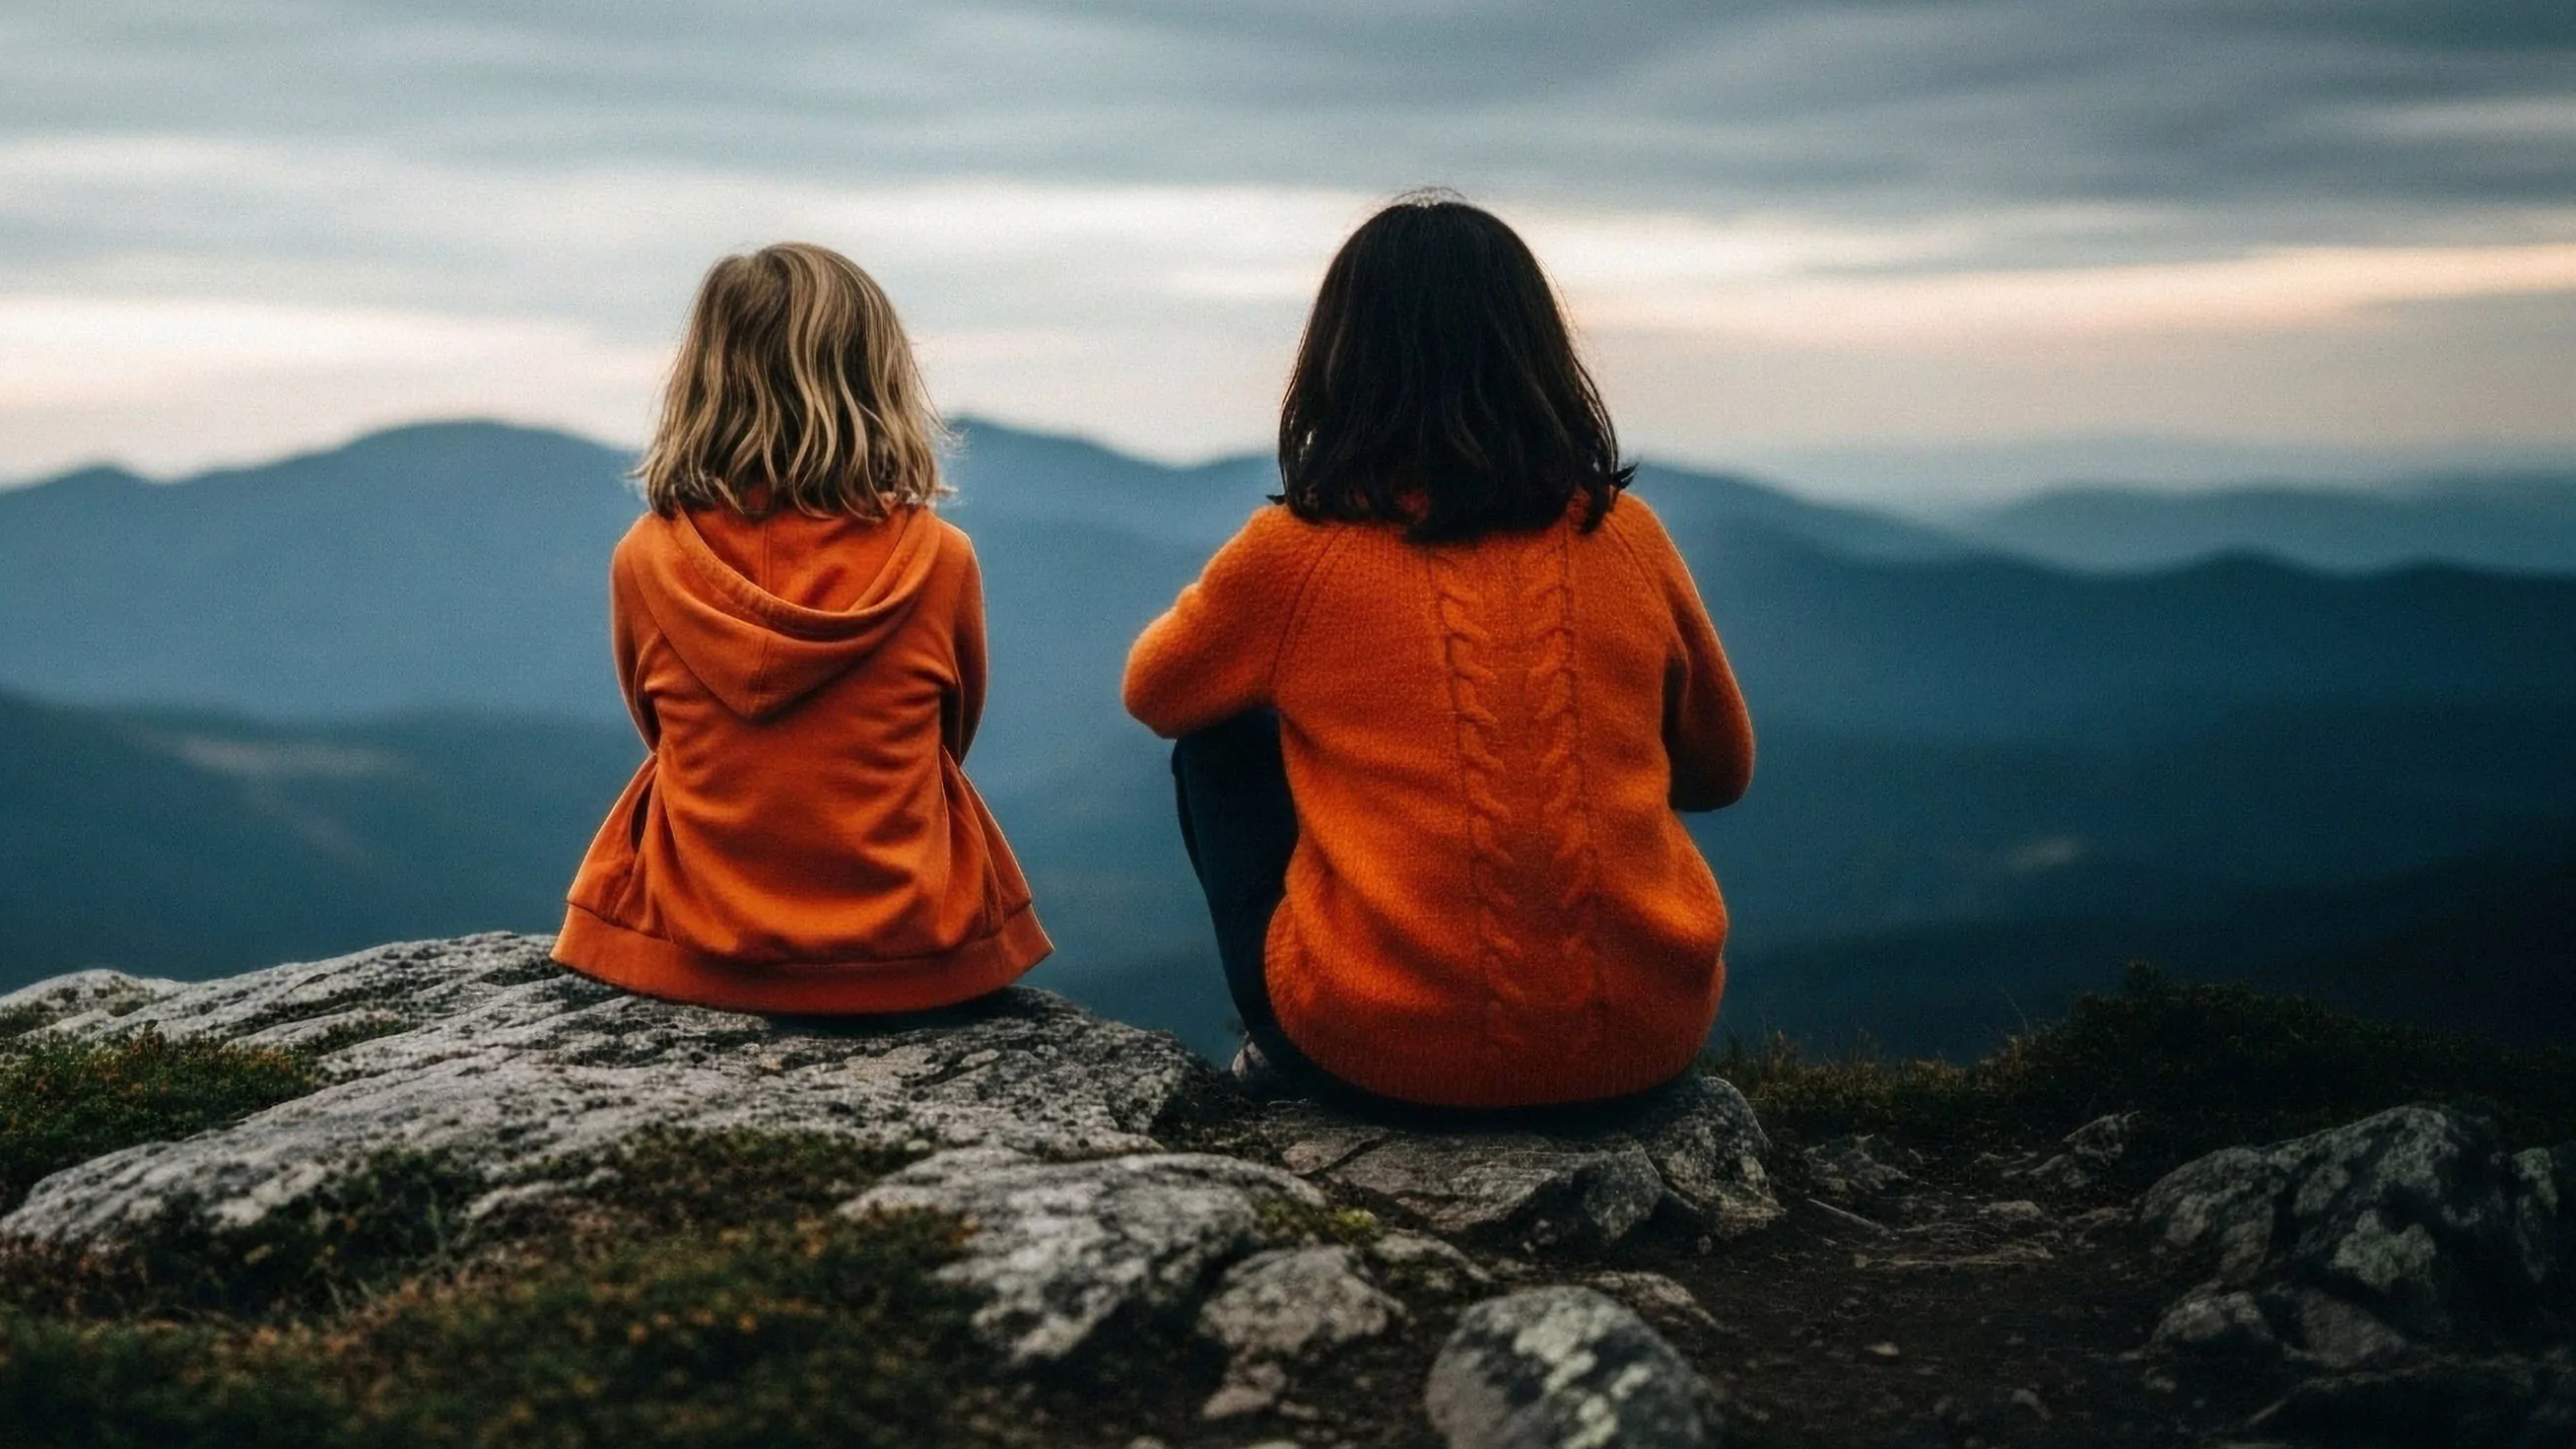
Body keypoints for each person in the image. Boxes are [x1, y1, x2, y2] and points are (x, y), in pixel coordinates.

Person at [1121, 191, 1751, 1109]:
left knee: (1218, 745)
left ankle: (1285, 1040)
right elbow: (1718, 772)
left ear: (1338, 361)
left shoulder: (1300, 554)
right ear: (1538, 354)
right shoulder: (1628, 537)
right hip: (1643, 1046)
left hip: (1384, 1058)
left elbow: (1156, 692)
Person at [553, 242, 1051, 1012]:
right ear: (877, 380)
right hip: (910, 950)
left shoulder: (647, 560)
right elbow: (950, 736)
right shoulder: (939, 560)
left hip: (692, 942)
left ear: (702, 381)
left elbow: (659, 731)